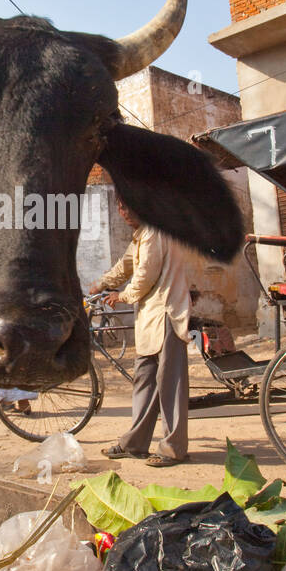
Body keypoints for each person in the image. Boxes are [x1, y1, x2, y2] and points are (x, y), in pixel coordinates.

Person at [90, 198, 191, 467]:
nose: (122, 212)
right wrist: (101, 283)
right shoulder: (143, 234)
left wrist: (121, 296)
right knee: (145, 381)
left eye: (126, 206)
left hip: (167, 314)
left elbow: (145, 274)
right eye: (120, 207)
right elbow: (126, 264)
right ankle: (135, 443)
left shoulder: (156, 231)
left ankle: (173, 449)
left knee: (170, 385)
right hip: (150, 317)